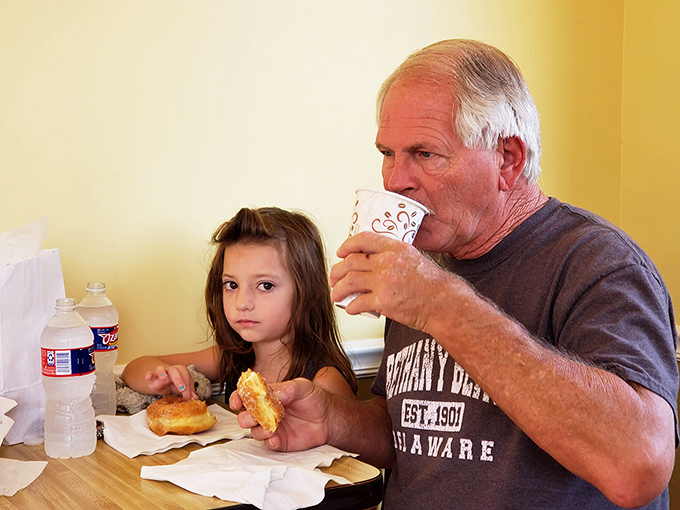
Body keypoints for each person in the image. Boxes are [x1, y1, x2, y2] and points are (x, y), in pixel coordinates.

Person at [230, 40, 679, 509]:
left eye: (425, 154)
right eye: (388, 152)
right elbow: (408, 433)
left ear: (508, 159)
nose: (395, 179)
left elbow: (638, 468)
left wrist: (442, 305)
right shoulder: (425, 261)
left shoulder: (601, 264)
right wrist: (332, 420)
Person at [122, 207, 357, 402]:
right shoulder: (232, 358)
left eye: (265, 286)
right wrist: (162, 379)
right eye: (231, 285)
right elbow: (133, 368)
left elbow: (352, 453)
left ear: (309, 291)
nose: (242, 303)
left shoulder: (324, 380)